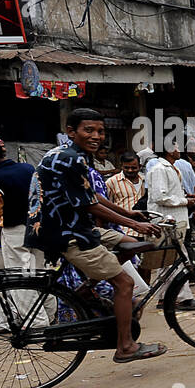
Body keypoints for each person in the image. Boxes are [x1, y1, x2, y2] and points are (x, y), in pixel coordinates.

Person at [31, 109, 163, 361]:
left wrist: (128, 214)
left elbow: (93, 196)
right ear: (71, 132)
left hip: (76, 227)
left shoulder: (72, 155)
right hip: (66, 232)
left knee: (131, 245)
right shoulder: (70, 159)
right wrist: (134, 223)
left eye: (100, 131)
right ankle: (125, 347)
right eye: (88, 130)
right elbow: (88, 205)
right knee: (125, 284)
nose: (96, 136)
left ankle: (86, 289)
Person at [0, 135, 54, 331]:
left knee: (21, 279)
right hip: (38, 227)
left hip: (14, 232)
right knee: (42, 274)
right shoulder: (28, 168)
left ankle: (36, 324)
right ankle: (50, 317)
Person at [146, 144, 195, 311]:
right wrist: (185, 201)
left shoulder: (170, 168)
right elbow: (160, 197)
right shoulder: (160, 168)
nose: (179, 148)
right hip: (167, 220)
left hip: (175, 220)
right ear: (167, 149)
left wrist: (185, 197)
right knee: (177, 259)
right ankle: (180, 298)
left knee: (170, 260)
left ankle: (166, 297)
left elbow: (168, 194)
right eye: (175, 145)